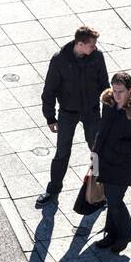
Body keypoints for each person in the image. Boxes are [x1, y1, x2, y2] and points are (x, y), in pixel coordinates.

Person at [36, 25, 110, 208]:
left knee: (97, 151)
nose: (95, 48)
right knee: (62, 152)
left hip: (91, 111)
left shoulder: (97, 57)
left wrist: (110, 112)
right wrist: (50, 117)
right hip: (68, 112)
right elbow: (49, 90)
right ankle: (53, 190)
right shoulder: (60, 60)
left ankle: (102, 189)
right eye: (91, 45)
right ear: (80, 44)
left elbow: (104, 85)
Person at [92, 72, 131, 253]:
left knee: (115, 200)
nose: (116, 95)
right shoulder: (109, 103)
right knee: (111, 200)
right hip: (105, 160)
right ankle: (111, 234)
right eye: (114, 90)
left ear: (129, 91)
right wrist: (95, 152)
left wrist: (123, 146)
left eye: (120, 91)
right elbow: (102, 131)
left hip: (124, 165)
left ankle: (126, 233)